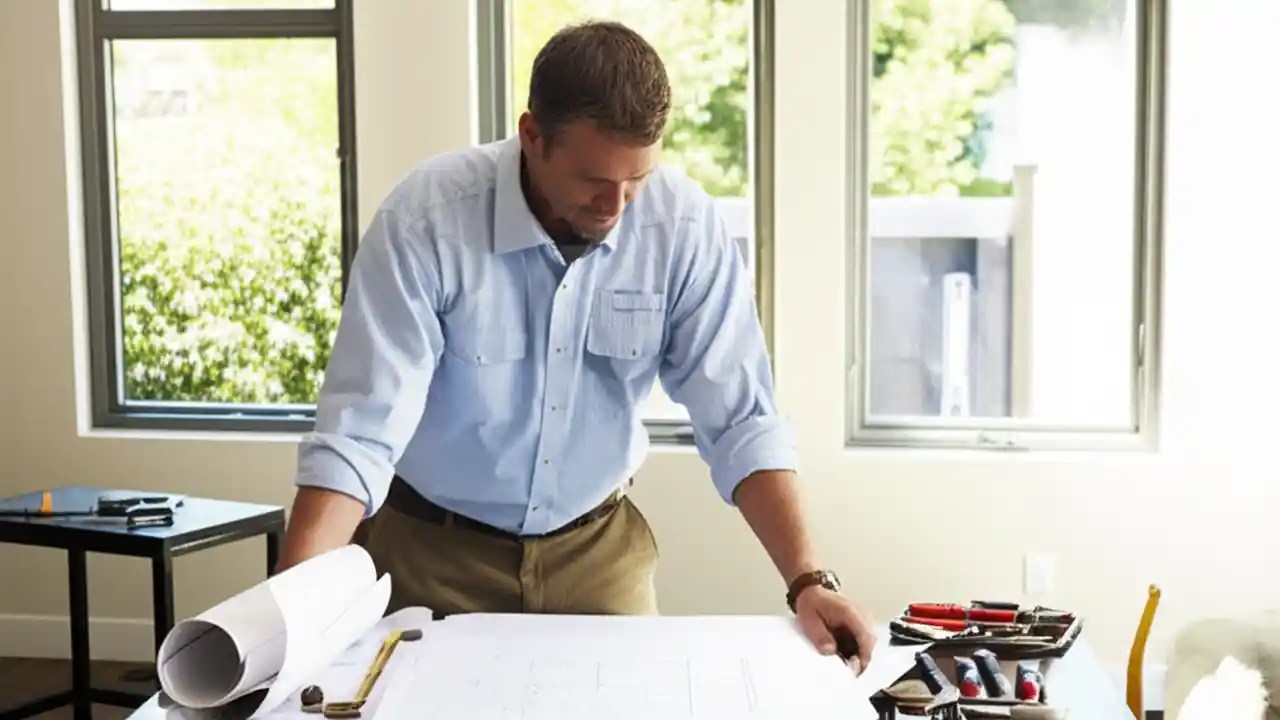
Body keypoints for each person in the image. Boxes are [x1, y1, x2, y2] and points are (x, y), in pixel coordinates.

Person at [275, 20, 876, 672]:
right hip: (430, 554)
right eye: (595, 180)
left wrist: (808, 580)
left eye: (636, 180)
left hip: (598, 554)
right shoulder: (427, 220)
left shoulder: (683, 226)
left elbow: (741, 422)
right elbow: (360, 436)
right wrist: (288, 618)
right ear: (533, 137)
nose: (616, 206)